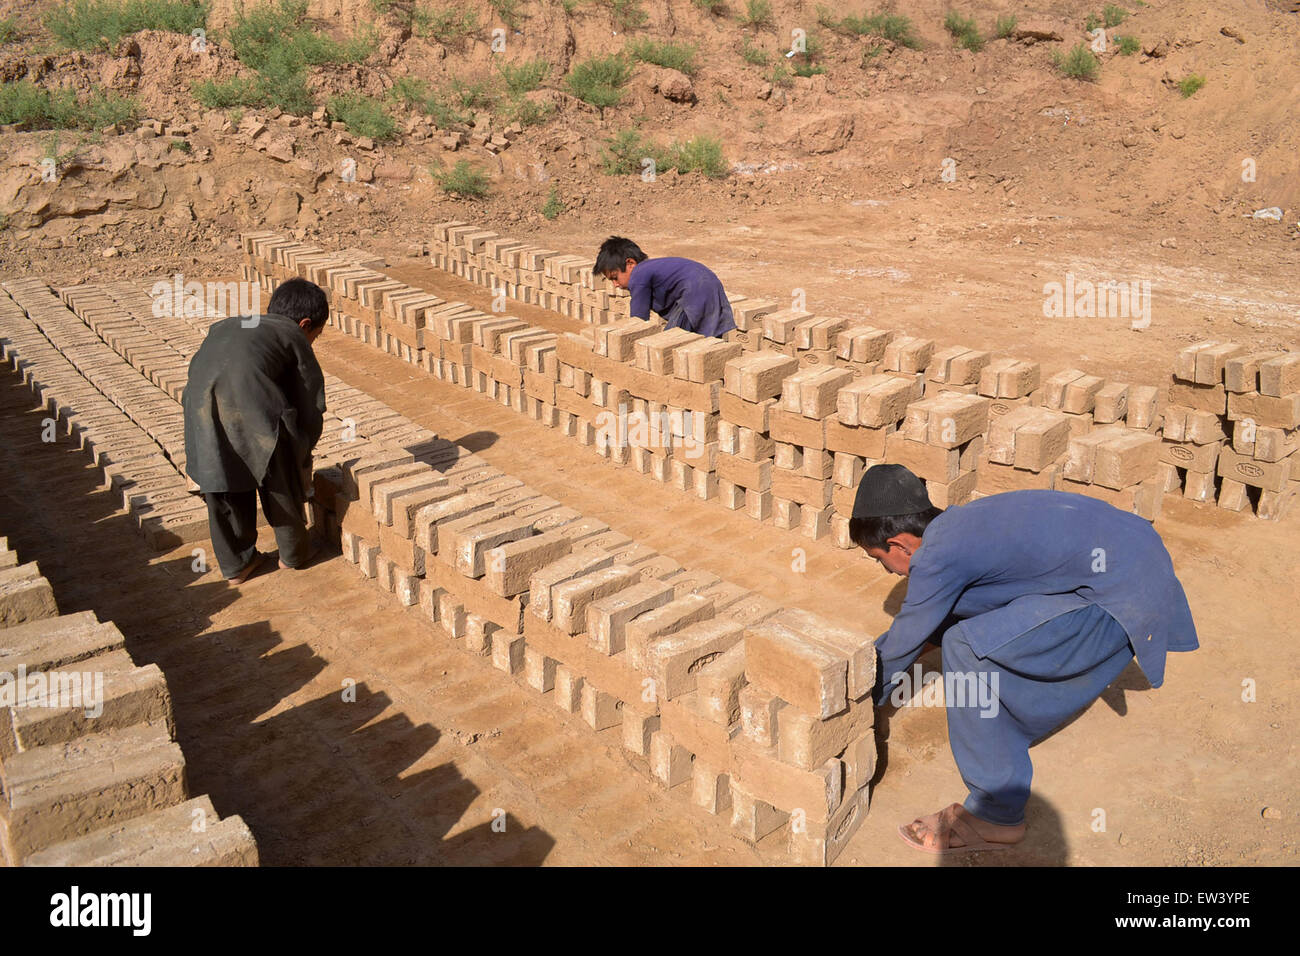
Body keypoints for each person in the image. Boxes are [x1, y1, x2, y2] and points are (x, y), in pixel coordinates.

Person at [850, 464, 1199, 854]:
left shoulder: (936, 557)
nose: (885, 569)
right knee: (961, 624)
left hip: (1120, 595)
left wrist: (857, 699)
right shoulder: (960, 526)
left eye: (878, 558)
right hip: (1137, 556)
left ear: (900, 544)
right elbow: (934, 618)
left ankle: (994, 815)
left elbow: (904, 641)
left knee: (964, 647)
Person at [182, 278, 328, 584]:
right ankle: (293, 554)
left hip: (198, 403)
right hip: (248, 402)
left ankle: (236, 565)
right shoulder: (292, 335)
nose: (312, 342)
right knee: (277, 459)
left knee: (220, 472)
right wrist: (303, 451)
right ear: (305, 324)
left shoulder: (229, 325)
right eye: (316, 336)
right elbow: (309, 400)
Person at [593, 236, 736, 339]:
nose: (615, 284)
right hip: (708, 284)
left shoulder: (638, 274)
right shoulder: (650, 268)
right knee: (706, 343)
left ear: (630, 263)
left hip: (694, 291)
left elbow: (638, 321)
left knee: (670, 344)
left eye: (615, 277)